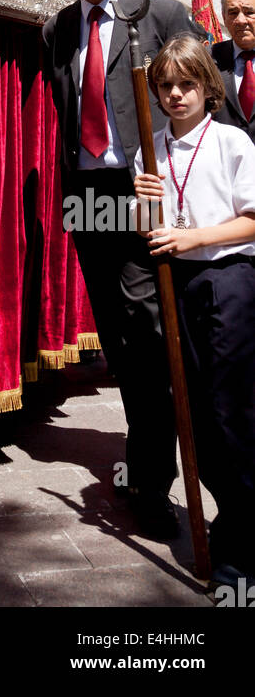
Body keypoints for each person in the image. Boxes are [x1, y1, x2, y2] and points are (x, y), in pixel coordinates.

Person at [42, 0, 205, 540]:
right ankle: (144, 467)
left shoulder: (156, 16)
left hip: (140, 190)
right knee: (117, 331)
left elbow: (196, 91)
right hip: (86, 193)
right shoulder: (58, 29)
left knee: (147, 332)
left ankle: (153, 480)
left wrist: (173, 171)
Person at [132, 35, 255, 590]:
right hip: (176, 281)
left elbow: (252, 222)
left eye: (187, 84)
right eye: (166, 86)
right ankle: (230, 517)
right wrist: (144, 201)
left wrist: (194, 238)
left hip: (228, 281)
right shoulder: (149, 148)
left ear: (209, 87)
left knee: (233, 412)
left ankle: (243, 546)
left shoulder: (232, 143)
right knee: (197, 415)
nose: (176, 94)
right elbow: (147, 231)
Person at [212, 0, 255, 142]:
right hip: (223, 162)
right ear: (224, 17)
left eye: (249, 12)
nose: (241, 20)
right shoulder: (207, 60)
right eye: (233, 13)